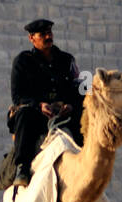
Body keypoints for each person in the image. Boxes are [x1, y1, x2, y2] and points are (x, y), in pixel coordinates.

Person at [7, 19, 83, 186]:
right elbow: (18, 96)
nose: (48, 36)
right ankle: (22, 168)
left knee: (89, 115)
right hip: (38, 116)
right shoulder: (23, 61)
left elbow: (79, 89)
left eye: (50, 32)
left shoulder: (66, 60)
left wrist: (70, 105)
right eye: (43, 34)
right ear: (32, 38)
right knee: (24, 115)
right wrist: (39, 105)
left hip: (64, 117)